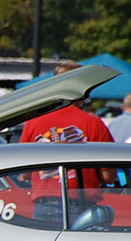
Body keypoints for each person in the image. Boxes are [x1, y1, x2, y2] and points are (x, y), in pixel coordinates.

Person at [18, 61, 114, 221]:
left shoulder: (33, 122)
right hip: (81, 204)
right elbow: (108, 176)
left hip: (44, 204)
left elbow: (24, 173)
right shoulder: (94, 123)